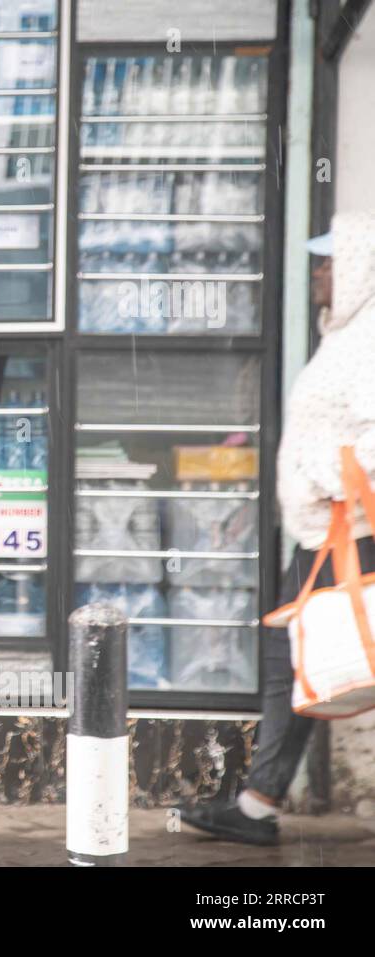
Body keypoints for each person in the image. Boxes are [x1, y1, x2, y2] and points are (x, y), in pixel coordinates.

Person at [182, 210, 375, 845]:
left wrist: (326, 477)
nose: (318, 273)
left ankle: (259, 805)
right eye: (318, 262)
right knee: (296, 660)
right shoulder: (341, 334)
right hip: (324, 532)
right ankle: (259, 805)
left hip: (350, 531)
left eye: (329, 263)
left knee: (317, 660)